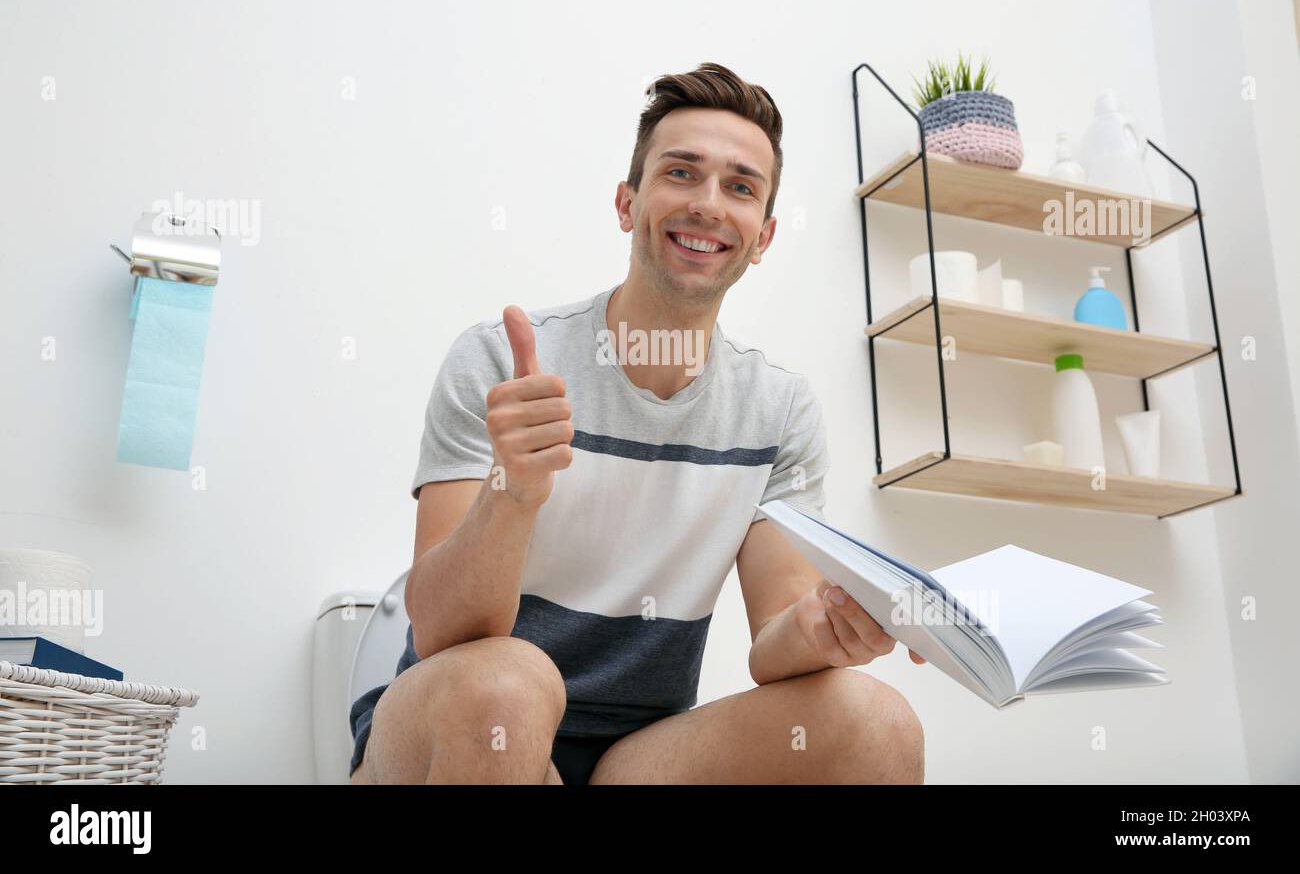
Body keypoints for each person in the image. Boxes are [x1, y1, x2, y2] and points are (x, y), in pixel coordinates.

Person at [350, 62, 926, 785]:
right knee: (508, 687)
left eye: (740, 187)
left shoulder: (777, 412)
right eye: (681, 174)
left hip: (635, 759)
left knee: (881, 724)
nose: (709, 204)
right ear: (627, 203)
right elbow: (439, 632)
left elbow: (773, 640)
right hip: (452, 724)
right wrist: (513, 490)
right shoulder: (502, 360)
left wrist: (824, 625)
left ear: (764, 235)